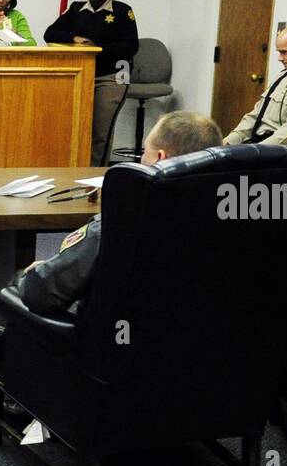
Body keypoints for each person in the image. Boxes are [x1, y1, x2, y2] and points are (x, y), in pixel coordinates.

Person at [16, 111, 222, 315]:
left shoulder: (116, 226)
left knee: (23, 283)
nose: (141, 158)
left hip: (124, 340)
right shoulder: (237, 222)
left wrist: (39, 273)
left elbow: (39, 295)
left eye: (144, 152)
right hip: (206, 341)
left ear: (161, 159)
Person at [44, 0, 140, 164]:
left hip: (113, 76)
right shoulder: (77, 9)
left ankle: (95, 176)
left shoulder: (122, 11)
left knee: (99, 131)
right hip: (81, 76)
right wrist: (74, 37)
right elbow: (50, 33)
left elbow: (131, 46)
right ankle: (74, 171)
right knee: (75, 128)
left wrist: (98, 48)